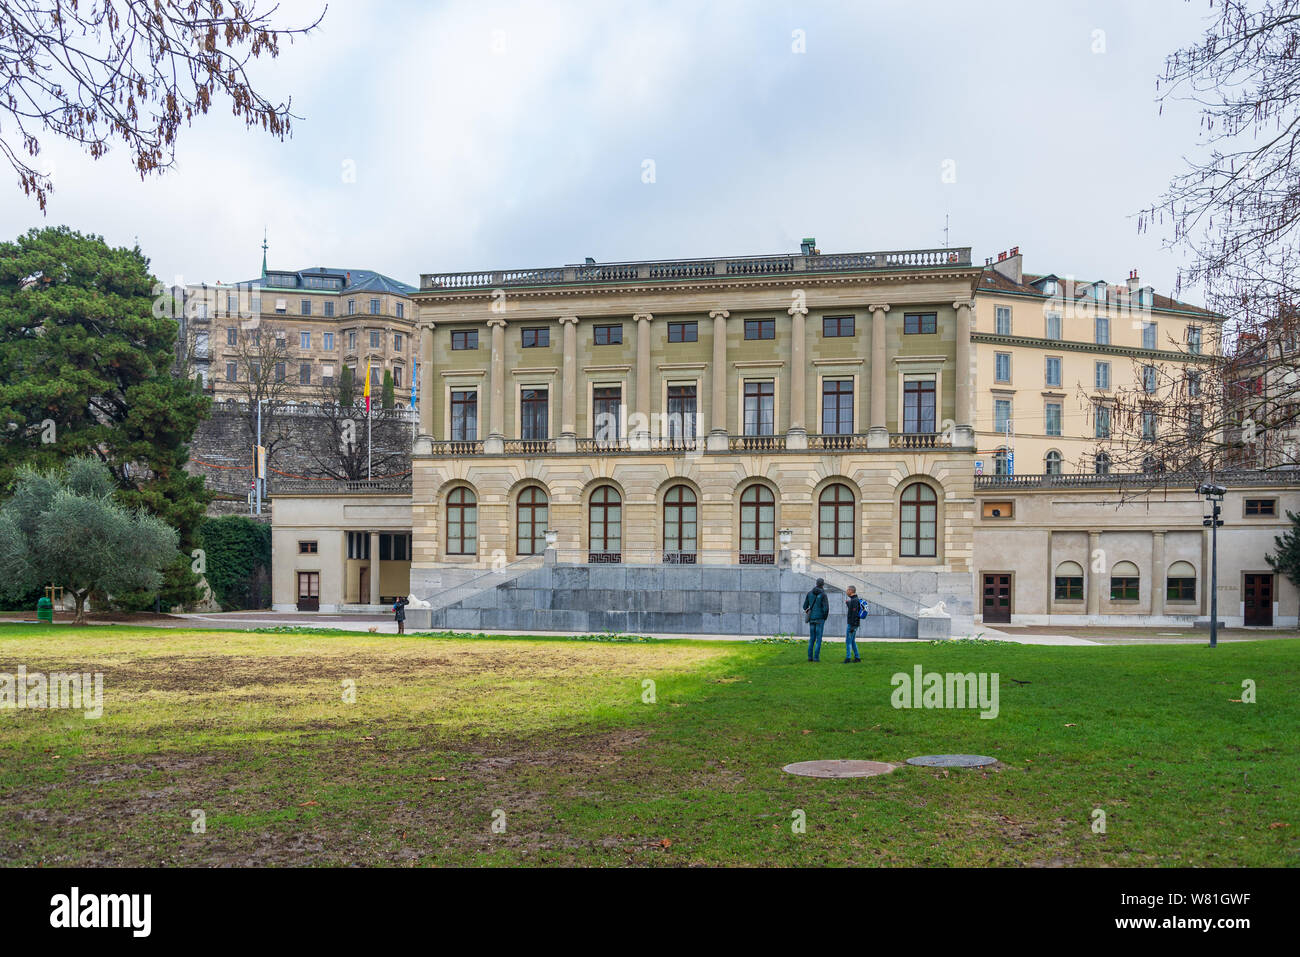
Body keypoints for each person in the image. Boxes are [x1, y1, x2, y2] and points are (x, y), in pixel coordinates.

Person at [802, 578, 829, 662]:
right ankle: (816, 658)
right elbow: (826, 608)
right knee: (818, 639)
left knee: (812, 639)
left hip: (812, 619)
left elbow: (804, 606)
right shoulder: (823, 594)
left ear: (816, 583)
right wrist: (824, 617)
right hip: (820, 619)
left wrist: (809, 609)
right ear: (823, 584)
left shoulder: (809, 593)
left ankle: (810, 657)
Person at [843, 586, 865, 663]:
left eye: (847, 590)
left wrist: (852, 626)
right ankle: (857, 657)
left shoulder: (854, 601)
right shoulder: (854, 600)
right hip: (854, 624)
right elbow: (853, 610)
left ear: (850, 590)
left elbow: (855, 614)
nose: (846, 591)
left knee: (848, 641)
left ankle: (848, 658)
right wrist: (848, 604)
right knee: (852, 641)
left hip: (852, 624)